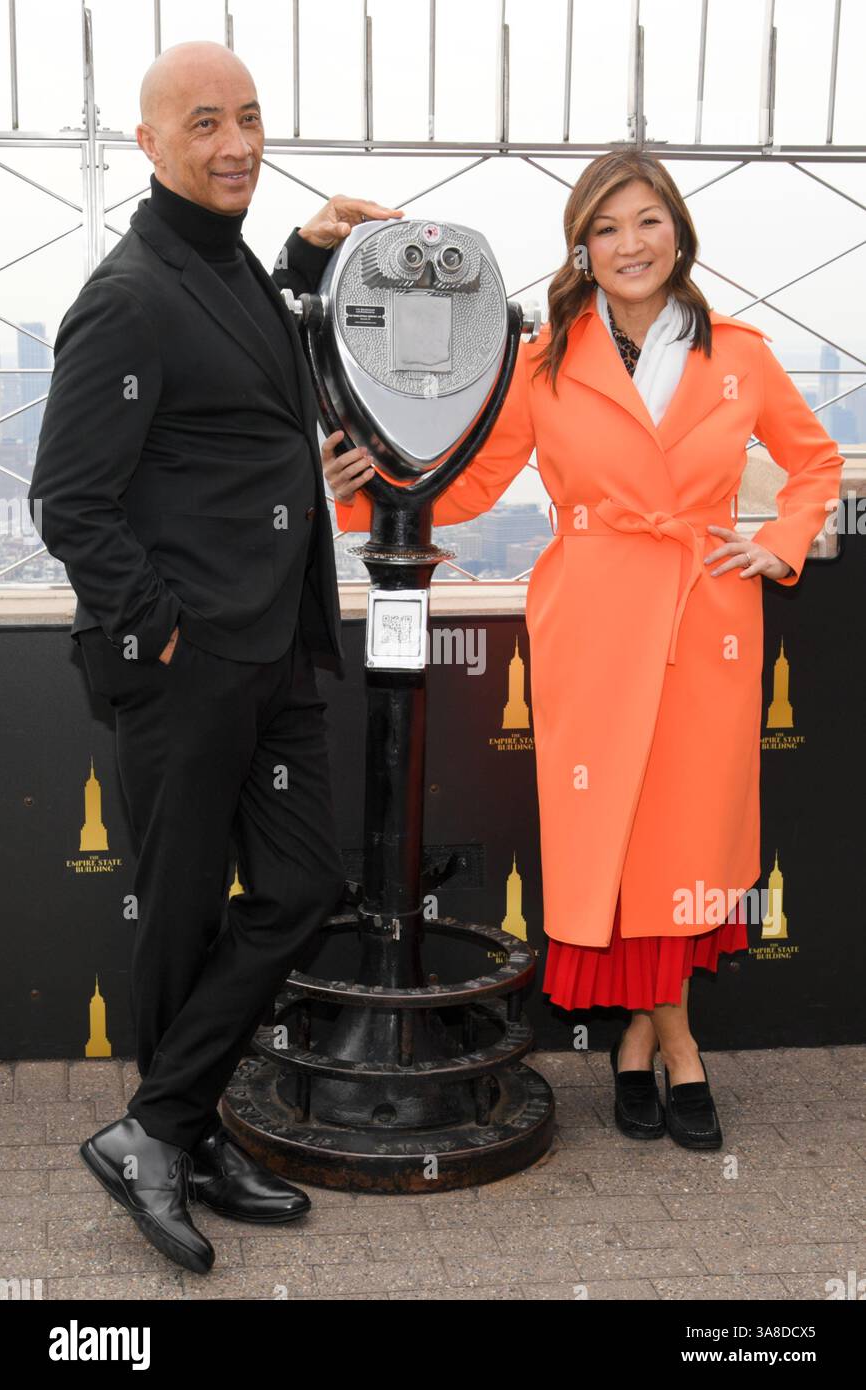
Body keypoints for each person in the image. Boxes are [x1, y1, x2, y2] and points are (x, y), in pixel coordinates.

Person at [326, 152, 844, 1154]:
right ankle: (670, 1045)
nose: (631, 244)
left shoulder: (739, 353)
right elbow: (474, 487)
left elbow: (815, 464)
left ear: (678, 233)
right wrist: (365, 489)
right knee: (615, 841)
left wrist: (774, 543)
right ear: (583, 248)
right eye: (607, 228)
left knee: (684, 842)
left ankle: (654, 1045)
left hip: (706, 617)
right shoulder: (547, 359)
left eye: (648, 221)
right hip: (596, 618)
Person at [27, 38, 402, 1275]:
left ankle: (164, 1124)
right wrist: (166, 624)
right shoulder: (127, 293)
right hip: (187, 659)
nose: (236, 142)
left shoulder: (233, 269)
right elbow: (69, 498)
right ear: (150, 143)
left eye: (248, 118)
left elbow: (248, 384)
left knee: (297, 887)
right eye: (204, 124)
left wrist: (303, 258)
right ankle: (180, 1133)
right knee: (181, 914)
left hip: (277, 645)